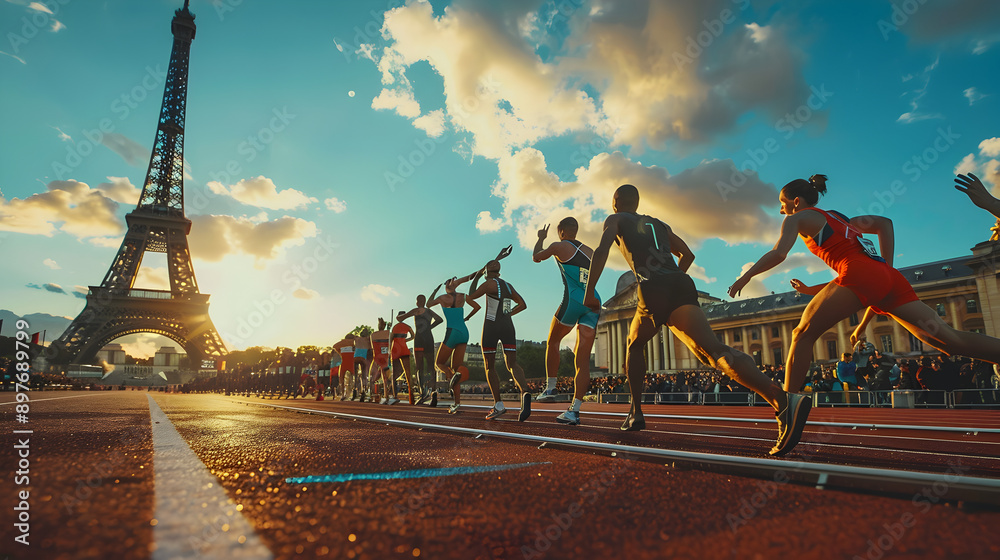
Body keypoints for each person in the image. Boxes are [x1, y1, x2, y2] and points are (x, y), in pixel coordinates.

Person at [730, 174, 1000, 440]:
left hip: (860, 274)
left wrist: (747, 275)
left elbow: (779, 253)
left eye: (782, 203)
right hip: (886, 277)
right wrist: (886, 267)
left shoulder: (797, 218)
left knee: (802, 334)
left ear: (797, 201)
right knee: (949, 340)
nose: (781, 209)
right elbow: (884, 224)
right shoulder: (840, 217)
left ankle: (787, 407)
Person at [584, 185, 797, 455]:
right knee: (713, 351)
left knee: (634, 345)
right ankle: (780, 398)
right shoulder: (659, 224)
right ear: (637, 202)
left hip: (651, 286)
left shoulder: (615, 219)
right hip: (681, 282)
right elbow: (688, 255)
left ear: (615, 203)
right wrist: (672, 286)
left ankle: (636, 412)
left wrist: (590, 291)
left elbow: (602, 250)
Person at [532, 217, 601, 425]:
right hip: (594, 301)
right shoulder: (591, 251)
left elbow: (536, 257)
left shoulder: (558, 246)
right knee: (582, 360)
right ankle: (574, 411)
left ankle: (550, 387)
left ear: (561, 230)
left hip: (573, 300)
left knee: (553, 341)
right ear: (576, 230)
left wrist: (540, 238)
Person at [468, 259, 533, 422]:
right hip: (507, 325)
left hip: (491, 325)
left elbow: (471, 296)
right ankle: (525, 391)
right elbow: (522, 304)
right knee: (512, 364)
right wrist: (509, 314)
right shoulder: (508, 286)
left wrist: (476, 277)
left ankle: (498, 404)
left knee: (489, 366)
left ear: (487, 272)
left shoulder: (489, 284)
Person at [428, 274, 481, 414]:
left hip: (452, 332)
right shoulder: (463, 296)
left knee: (438, 363)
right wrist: (467, 317)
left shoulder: (442, 298)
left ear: (446, 287)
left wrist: (434, 291)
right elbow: (477, 307)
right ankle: (456, 403)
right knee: (457, 368)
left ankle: (450, 376)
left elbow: (428, 304)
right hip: (464, 331)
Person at [398, 295, 443, 406]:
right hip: (428, 338)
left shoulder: (415, 310)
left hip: (419, 339)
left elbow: (399, 319)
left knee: (419, 368)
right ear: (425, 301)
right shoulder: (429, 311)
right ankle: (433, 393)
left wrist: (403, 316)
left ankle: (422, 393)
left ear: (418, 302)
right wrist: (430, 327)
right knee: (431, 367)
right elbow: (440, 319)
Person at [369, 318, 399, 405]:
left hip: (378, 359)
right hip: (386, 358)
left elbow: (372, 348)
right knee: (387, 378)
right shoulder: (389, 334)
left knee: (372, 378)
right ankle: (389, 395)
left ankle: (376, 395)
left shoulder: (373, 335)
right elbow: (391, 343)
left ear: (379, 326)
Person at [391, 311, 418, 403]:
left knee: (394, 374)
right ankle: (411, 396)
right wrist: (404, 340)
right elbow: (413, 336)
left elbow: (390, 340)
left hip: (395, 349)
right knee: (408, 373)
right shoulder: (407, 326)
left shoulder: (395, 327)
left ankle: (395, 396)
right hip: (403, 348)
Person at [332, 333, 356, 401]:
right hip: (351, 363)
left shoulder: (342, 343)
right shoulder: (353, 342)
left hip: (344, 363)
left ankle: (343, 394)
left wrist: (340, 352)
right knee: (353, 379)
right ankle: (349, 394)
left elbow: (334, 346)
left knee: (341, 379)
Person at [353, 328, 372, 402]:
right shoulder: (368, 339)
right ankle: (363, 389)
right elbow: (371, 348)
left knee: (355, 375)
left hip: (356, 357)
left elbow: (351, 337)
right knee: (364, 375)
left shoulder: (357, 338)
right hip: (364, 357)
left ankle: (355, 389)